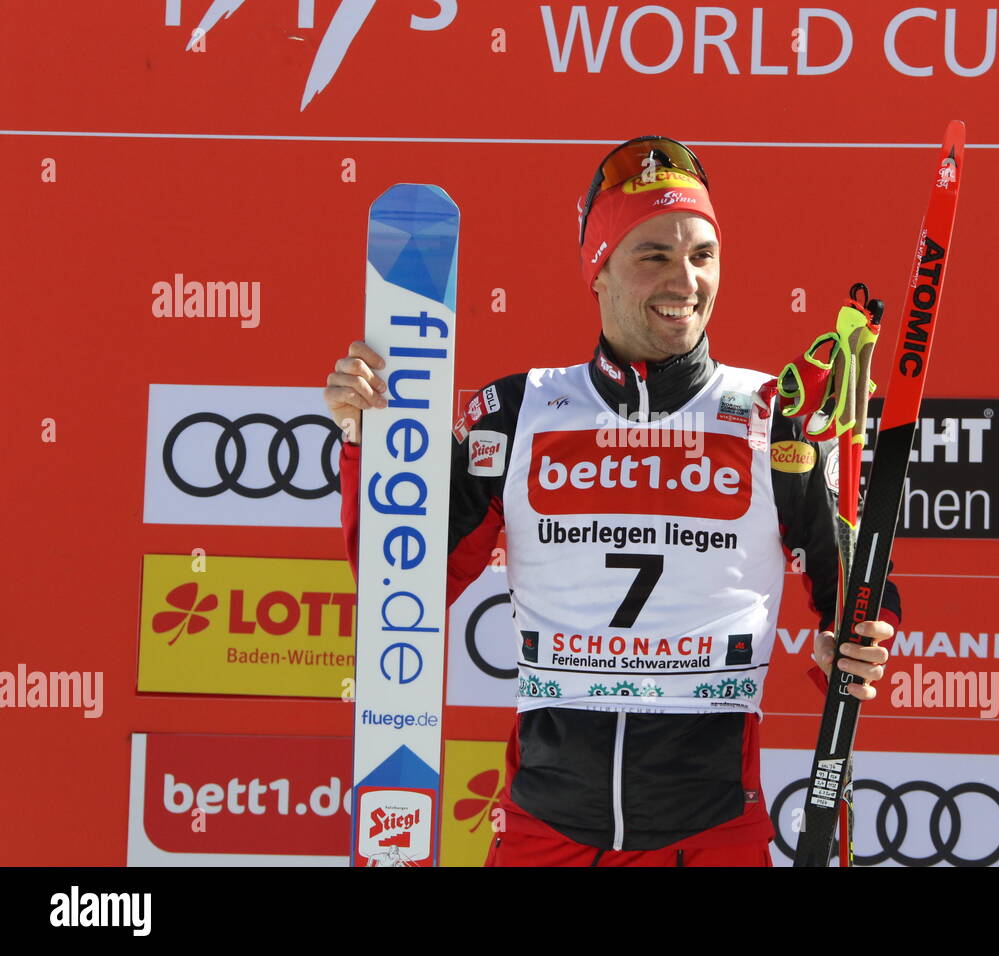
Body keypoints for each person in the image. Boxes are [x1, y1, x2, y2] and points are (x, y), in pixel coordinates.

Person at [323, 136, 901, 867]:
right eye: (653, 254)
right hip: (546, 834)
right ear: (597, 270)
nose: (684, 280)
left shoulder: (768, 415)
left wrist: (854, 640)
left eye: (702, 255)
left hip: (711, 835)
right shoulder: (517, 410)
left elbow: (857, 592)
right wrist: (365, 446)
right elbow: (400, 583)